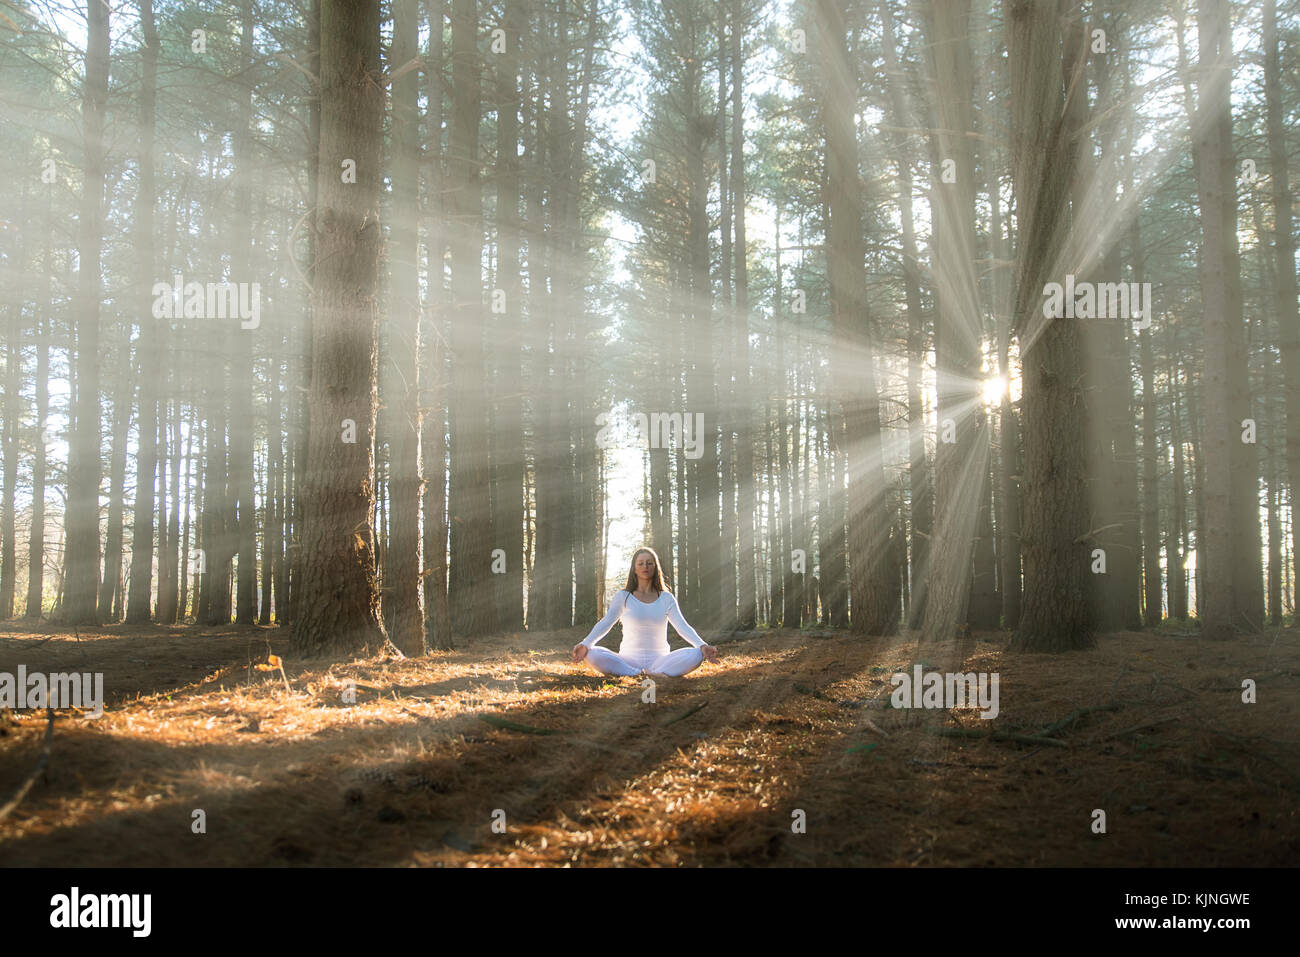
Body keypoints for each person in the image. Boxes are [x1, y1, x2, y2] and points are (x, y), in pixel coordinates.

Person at [571, 546, 719, 677]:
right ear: (634, 569)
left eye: (649, 563)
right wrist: (586, 643)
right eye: (640, 563)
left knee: (696, 654)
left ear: (655, 567)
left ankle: (654, 672)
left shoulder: (666, 598)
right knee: (592, 653)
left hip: (661, 661)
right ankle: (634, 673)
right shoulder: (624, 596)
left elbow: (682, 626)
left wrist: (702, 645)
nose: (645, 566)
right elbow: (606, 622)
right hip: (627, 660)